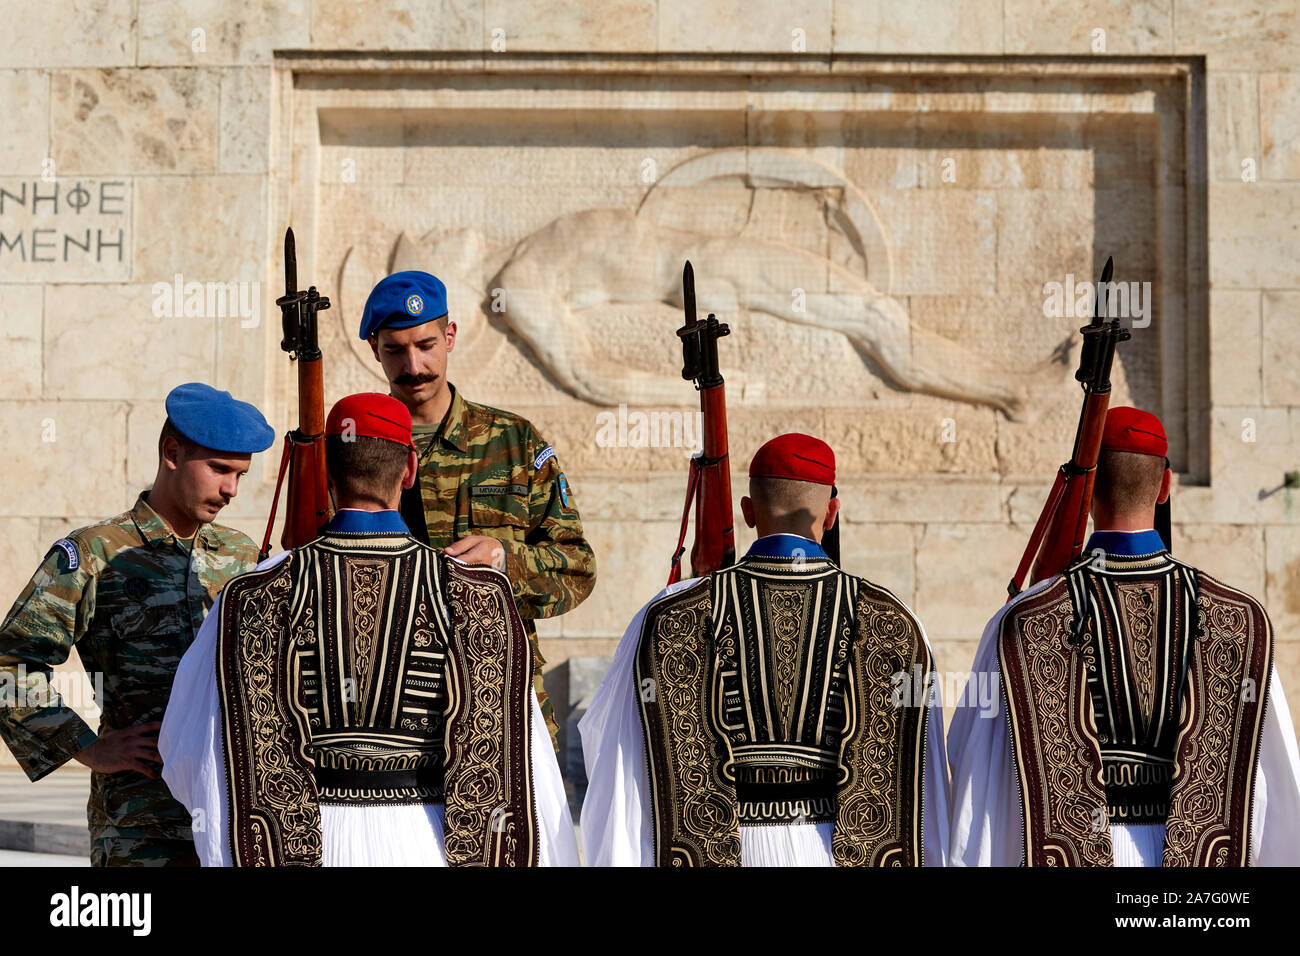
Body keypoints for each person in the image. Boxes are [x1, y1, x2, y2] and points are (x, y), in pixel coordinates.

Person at [159, 393, 578, 866]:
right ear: (410, 470)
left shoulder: (251, 596)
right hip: (433, 842)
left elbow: (186, 753)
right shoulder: (480, 596)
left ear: (327, 475)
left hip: (307, 845)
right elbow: (528, 768)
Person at [948, 407, 1300, 866]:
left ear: (1086, 491)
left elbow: (973, 766)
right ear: (1165, 488)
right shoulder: (1239, 619)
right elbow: (1277, 785)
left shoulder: (1022, 620)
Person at [580, 433, 948, 866]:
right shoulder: (894, 621)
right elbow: (926, 778)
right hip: (846, 852)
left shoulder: (668, 614)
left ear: (748, 513)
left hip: (719, 850)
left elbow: (616, 760)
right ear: (832, 513)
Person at [0, 383, 273, 866]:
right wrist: (86, 747)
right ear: (172, 452)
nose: (231, 490)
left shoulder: (244, 557)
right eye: (219, 470)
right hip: (139, 827)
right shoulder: (95, 553)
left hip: (232, 820)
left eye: (241, 475)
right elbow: (11, 665)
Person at [360, 270, 597, 749]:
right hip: (383, 708)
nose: (414, 366)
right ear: (373, 348)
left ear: (450, 335)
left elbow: (578, 568)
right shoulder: (355, 446)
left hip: (500, 697)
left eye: (426, 345)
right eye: (395, 350)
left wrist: (504, 560)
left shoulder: (513, 442)